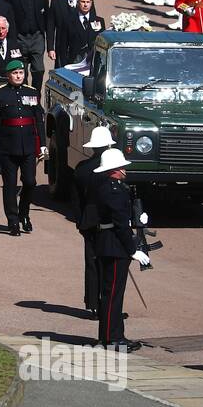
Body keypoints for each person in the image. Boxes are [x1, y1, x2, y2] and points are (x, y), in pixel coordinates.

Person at [91, 146, 147, 350]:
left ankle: (113, 335)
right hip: (115, 246)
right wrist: (133, 249)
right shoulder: (113, 189)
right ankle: (111, 338)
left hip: (110, 243)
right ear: (116, 169)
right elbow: (121, 224)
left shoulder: (111, 186)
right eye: (122, 165)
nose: (125, 168)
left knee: (113, 294)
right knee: (112, 294)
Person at [0, 59, 45, 235]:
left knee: (30, 182)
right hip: (7, 147)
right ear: (8, 75)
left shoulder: (32, 93)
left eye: (21, 73)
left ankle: (24, 214)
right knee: (10, 185)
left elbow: (39, 121)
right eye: (15, 73)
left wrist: (42, 144)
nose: (18, 76)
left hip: (27, 146)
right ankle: (12, 220)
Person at [75, 126, 115, 315]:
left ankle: (92, 303)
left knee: (91, 263)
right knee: (107, 263)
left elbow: (77, 200)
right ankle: (106, 304)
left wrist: (80, 221)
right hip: (108, 221)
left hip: (88, 220)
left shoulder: (81, 169)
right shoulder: (111, 170)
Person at [10, 0, 50, 90]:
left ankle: (35, 97)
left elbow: (46, 14)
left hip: (37, 36)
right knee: (22, 72)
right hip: (20, 37)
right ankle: (24, 96)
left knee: (39, 70)